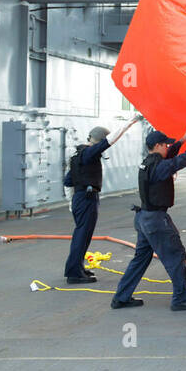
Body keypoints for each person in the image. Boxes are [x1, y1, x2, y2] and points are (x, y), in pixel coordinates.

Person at [111, 124, 186, 311]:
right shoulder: (159, 167)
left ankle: (121, 297)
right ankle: (181, 299)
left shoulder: (148, 162)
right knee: (176, 256)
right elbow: (182, 160)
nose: (168, 147)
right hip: (156, 221)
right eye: (165, 145)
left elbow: (171, 157)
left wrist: (182, 140)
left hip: (143, 218)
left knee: (140, 259)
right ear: (158, 145)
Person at [63, 114, 142, 284]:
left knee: (82, 235)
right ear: (99, 141)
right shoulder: (90, 153)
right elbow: (110, 141)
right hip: (87, 199)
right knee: (82, 236)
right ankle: (74, 274)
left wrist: (71, 202)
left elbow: (68, 181)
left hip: (79, 198)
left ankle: (77, 267)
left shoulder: (77, 156)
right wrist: (129, 123)